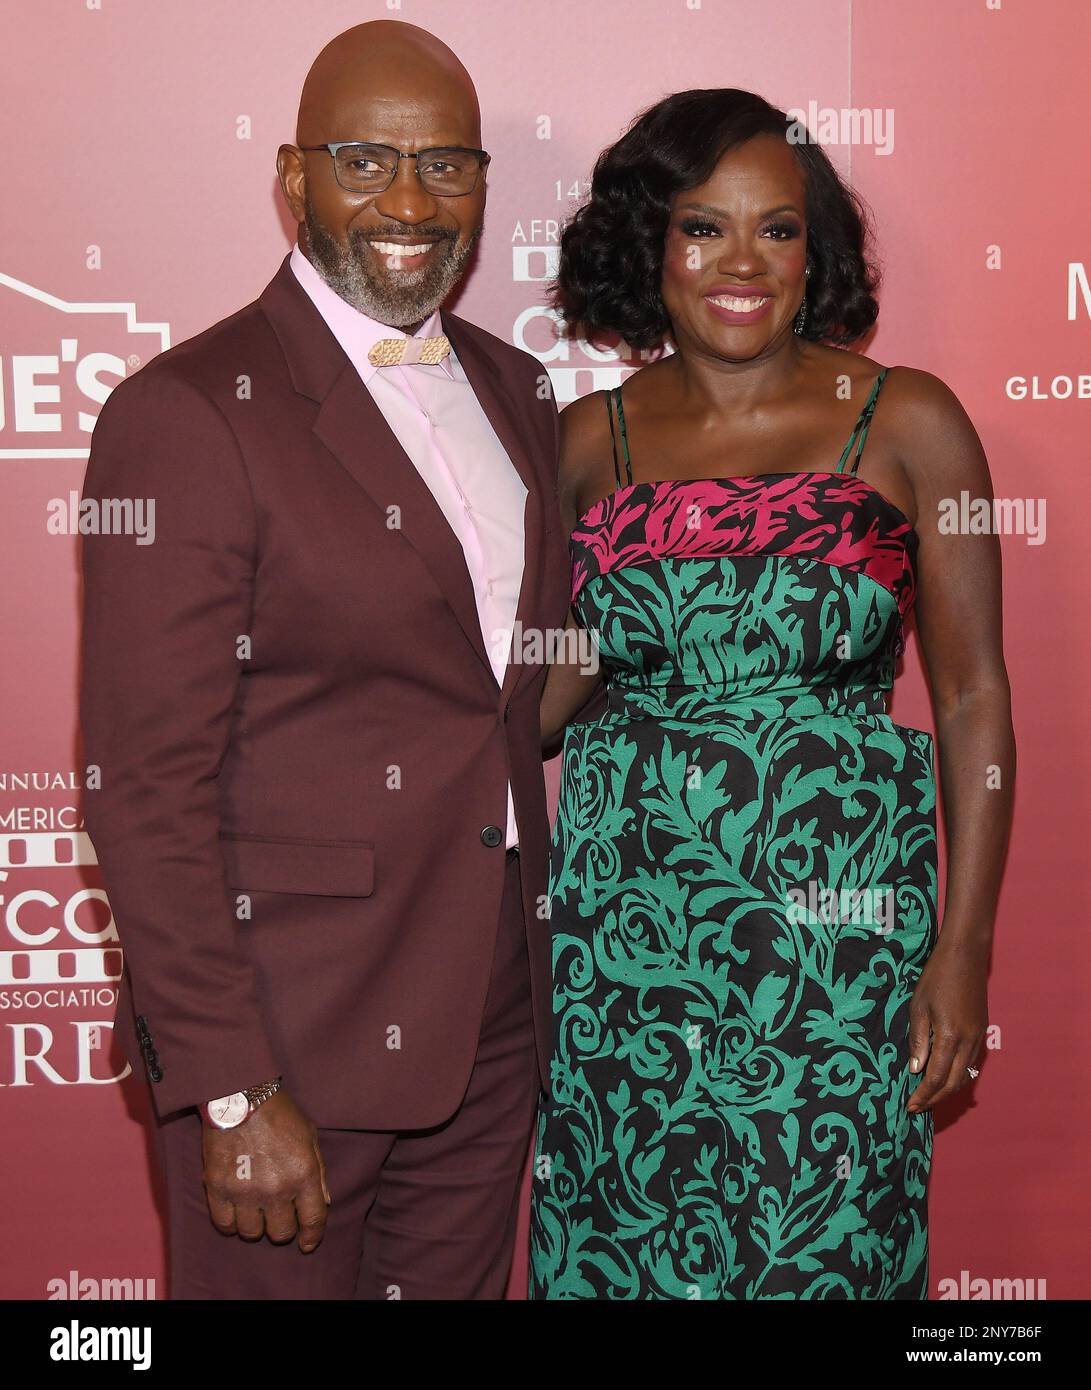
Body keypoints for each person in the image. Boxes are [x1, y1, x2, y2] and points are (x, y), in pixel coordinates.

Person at [79, 20, 570, 1299]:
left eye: (447, 166)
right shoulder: (189, 411)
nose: (411, 202)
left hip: (492, 1016)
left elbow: (505, 695)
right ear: (294, 179)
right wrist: (232, 1087)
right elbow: (143, 782)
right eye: (366, 161)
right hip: (289, 1032)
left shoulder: (518, 393)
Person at [530, 88, 1014, 1299]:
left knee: (825, 1243)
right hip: (622, 938)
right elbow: (536, 699)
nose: (741, 263)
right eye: (703, 228)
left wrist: (962, 946)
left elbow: (970, 698)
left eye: (777, 230)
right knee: (627, 1235)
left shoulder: (907, 420)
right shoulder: (583, 441)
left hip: (835, 940)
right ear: (652, 245)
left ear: (818, 249)